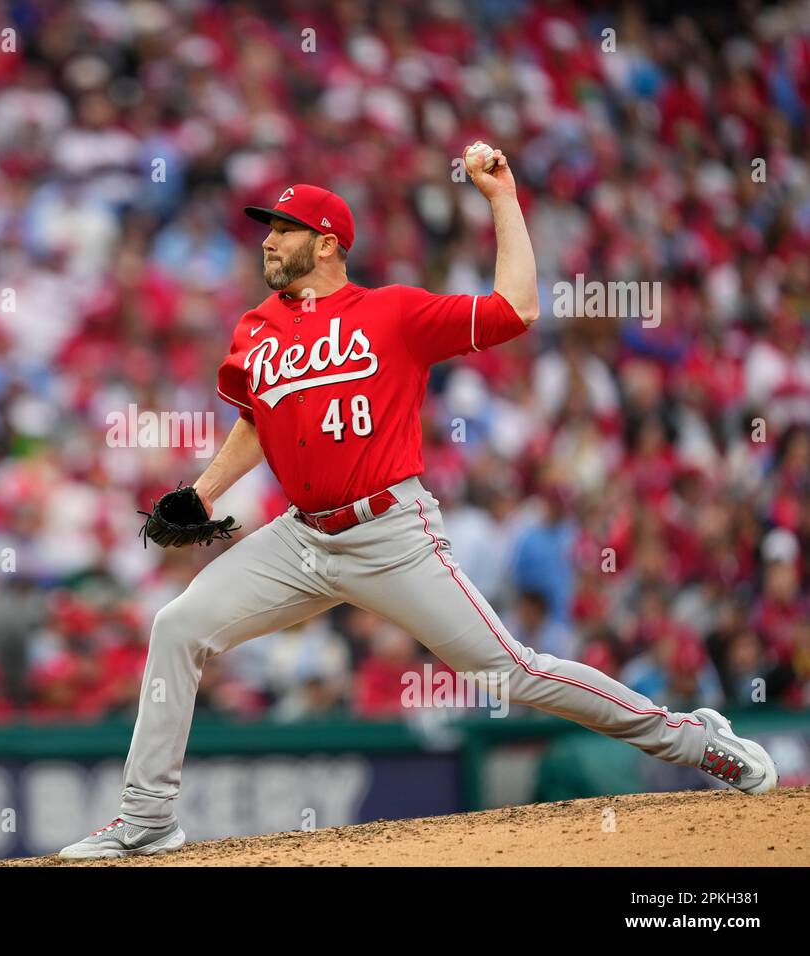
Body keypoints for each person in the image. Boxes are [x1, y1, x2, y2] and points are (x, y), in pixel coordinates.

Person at [59, 145, 779, 860]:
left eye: (283, 228)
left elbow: (517, 308)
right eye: (267, 227)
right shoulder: (257, 326)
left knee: (509, 672)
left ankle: (691, 738)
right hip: (301, 540)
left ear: (328, 242)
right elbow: (257, 418)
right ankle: (147, 819)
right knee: (178, 627)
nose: (269, 239)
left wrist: (500, 199)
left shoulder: (393, 312)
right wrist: (201, 492)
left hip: (390, 532)